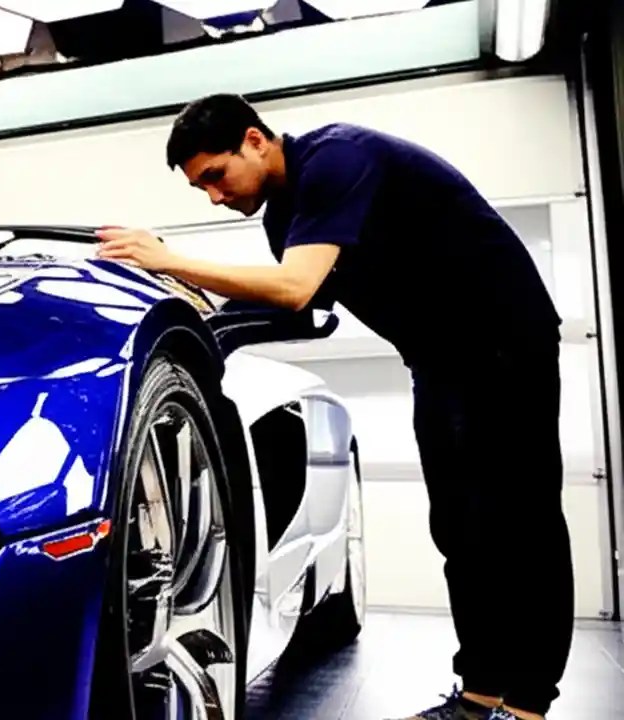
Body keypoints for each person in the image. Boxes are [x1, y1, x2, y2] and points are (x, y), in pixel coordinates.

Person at [95, 94, 573, 720]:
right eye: (199, 187)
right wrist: (183, 306)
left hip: (506, 342)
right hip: (436, 360)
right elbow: (298, 304)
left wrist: (168, 255)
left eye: (215, 175)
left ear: (255, 141)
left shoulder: (336, 159)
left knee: (521, 521)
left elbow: (294, 284)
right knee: (459, 525)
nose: (213, 196)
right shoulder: (282, 217)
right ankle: (480, 697)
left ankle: (529, 705)